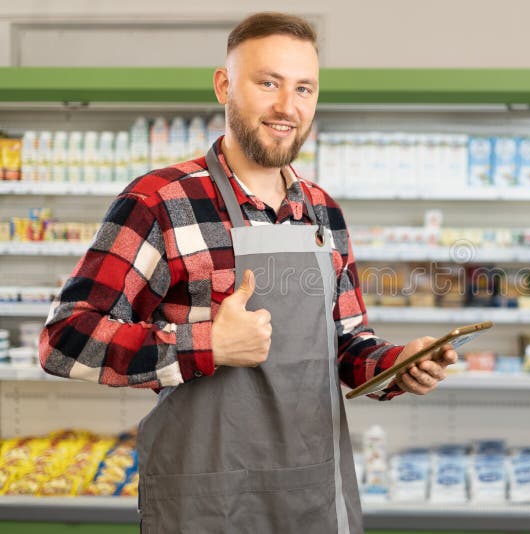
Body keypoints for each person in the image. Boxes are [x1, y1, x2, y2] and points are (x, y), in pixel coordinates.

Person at [39, 11, 457, 533]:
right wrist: (205, 344)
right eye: (268, 83)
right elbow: (64, 340)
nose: (288, 107)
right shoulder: (160, 202)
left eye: (305, 88)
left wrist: (399, 364)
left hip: (313, 498)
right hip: (205, 505)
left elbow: (346, 344)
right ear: (224, 86)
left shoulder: (324, 212)